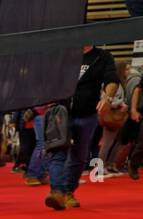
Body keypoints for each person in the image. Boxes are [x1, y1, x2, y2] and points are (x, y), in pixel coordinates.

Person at [46, 44, 118, 210]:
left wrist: (107, 98)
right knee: (57, 151)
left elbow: (112, 80)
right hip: (61, 112)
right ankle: (57, 192)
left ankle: (68, 191)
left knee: (78, 156)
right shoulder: (63, 55)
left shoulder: (102, 56)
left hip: (87, 114)